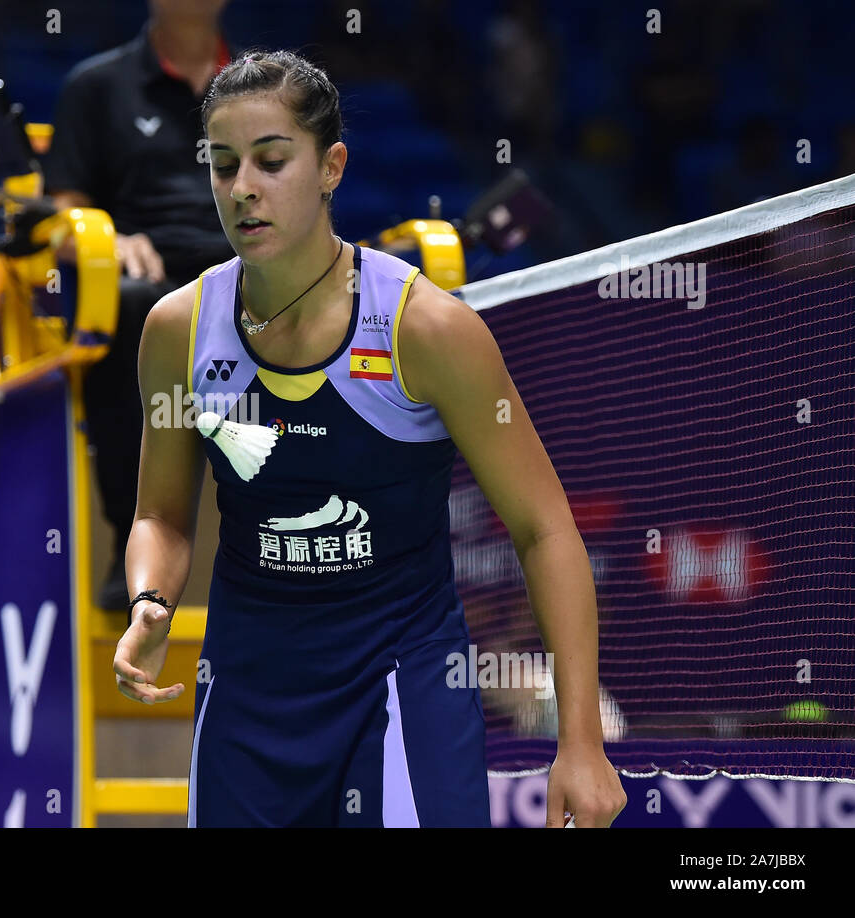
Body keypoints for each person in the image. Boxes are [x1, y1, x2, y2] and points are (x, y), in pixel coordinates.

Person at [112, 49, 627, 828]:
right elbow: (161, 514)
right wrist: (151, 601)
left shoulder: (426, 330)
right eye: (222, 166)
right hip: (249, 688)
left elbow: (544, 528)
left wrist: (580, 743)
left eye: (271, 160)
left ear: (331, 167)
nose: (243, 187)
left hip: (401, 681)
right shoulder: (177, 332)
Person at [44, 0, 237, 609]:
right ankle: (136, 544)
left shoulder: (262, 85)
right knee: (128, 307)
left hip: (248, 261)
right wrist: (111, 237)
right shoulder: (97, 86)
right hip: (147, 270)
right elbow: (63, 213)